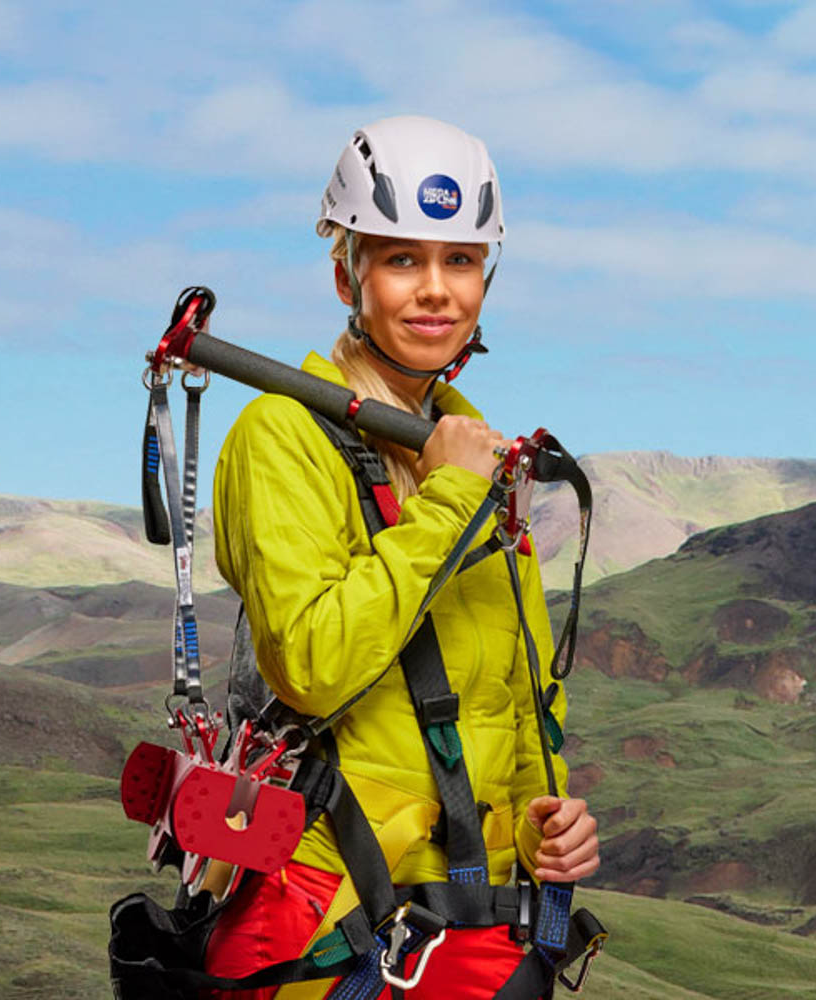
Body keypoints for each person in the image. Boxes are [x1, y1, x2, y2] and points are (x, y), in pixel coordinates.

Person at [201, 115, 600, 1000]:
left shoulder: (485, 459)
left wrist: (541, 828)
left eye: (460, 261)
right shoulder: (282, 436)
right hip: (324, 910)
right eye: (401, 260)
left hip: (472, 915)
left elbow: (517, 702)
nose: (436, 291)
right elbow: (312, 664)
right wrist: (453, 498)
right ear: (347, 274)